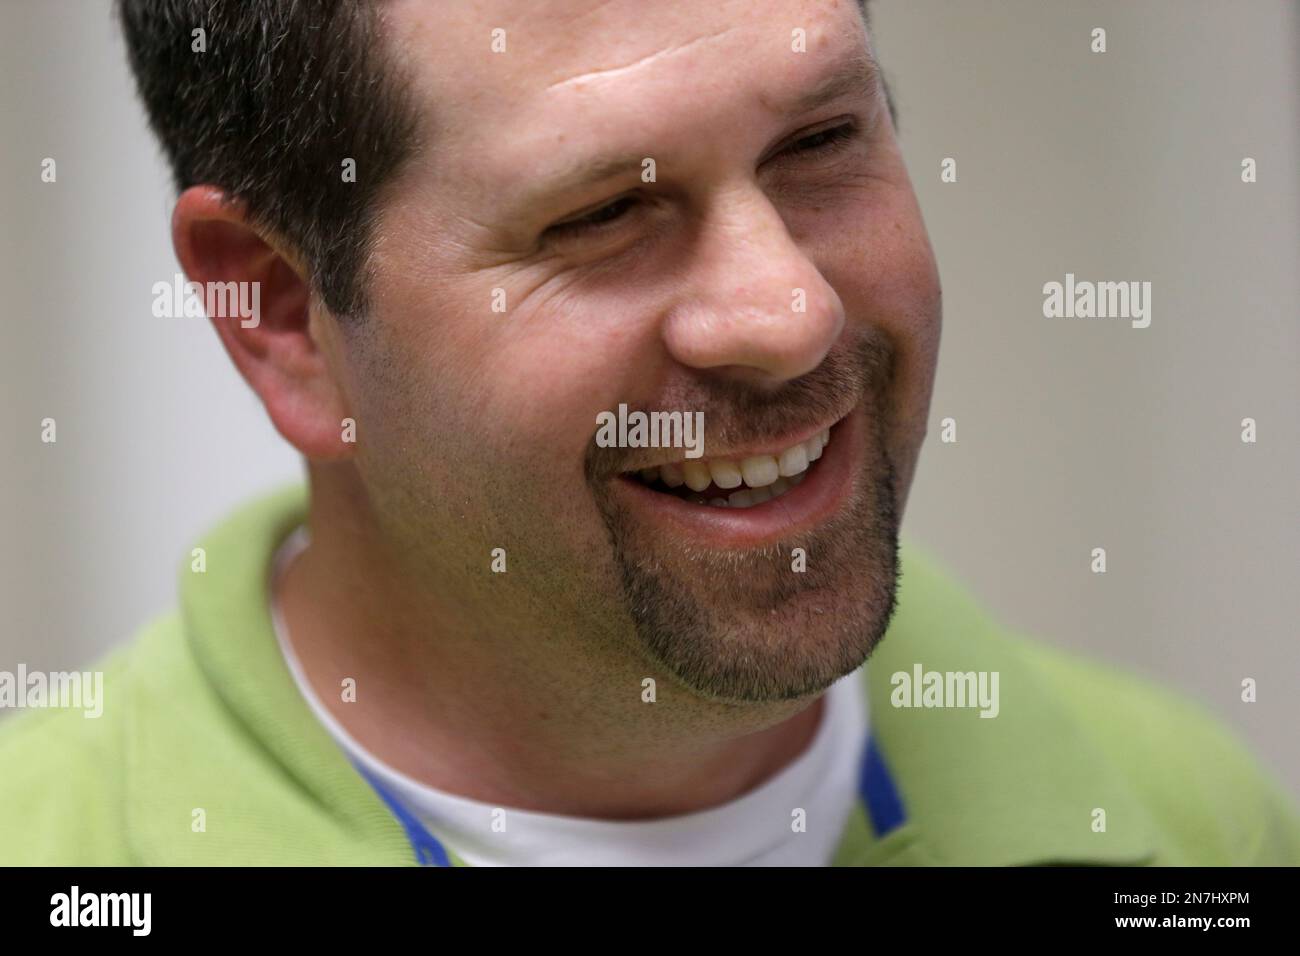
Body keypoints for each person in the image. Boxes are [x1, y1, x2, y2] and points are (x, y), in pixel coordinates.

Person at [2, 0, 1296, 866]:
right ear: (280, 311)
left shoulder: (1187, 821)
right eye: (601, 217)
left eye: (822, 140)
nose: (789, 312)